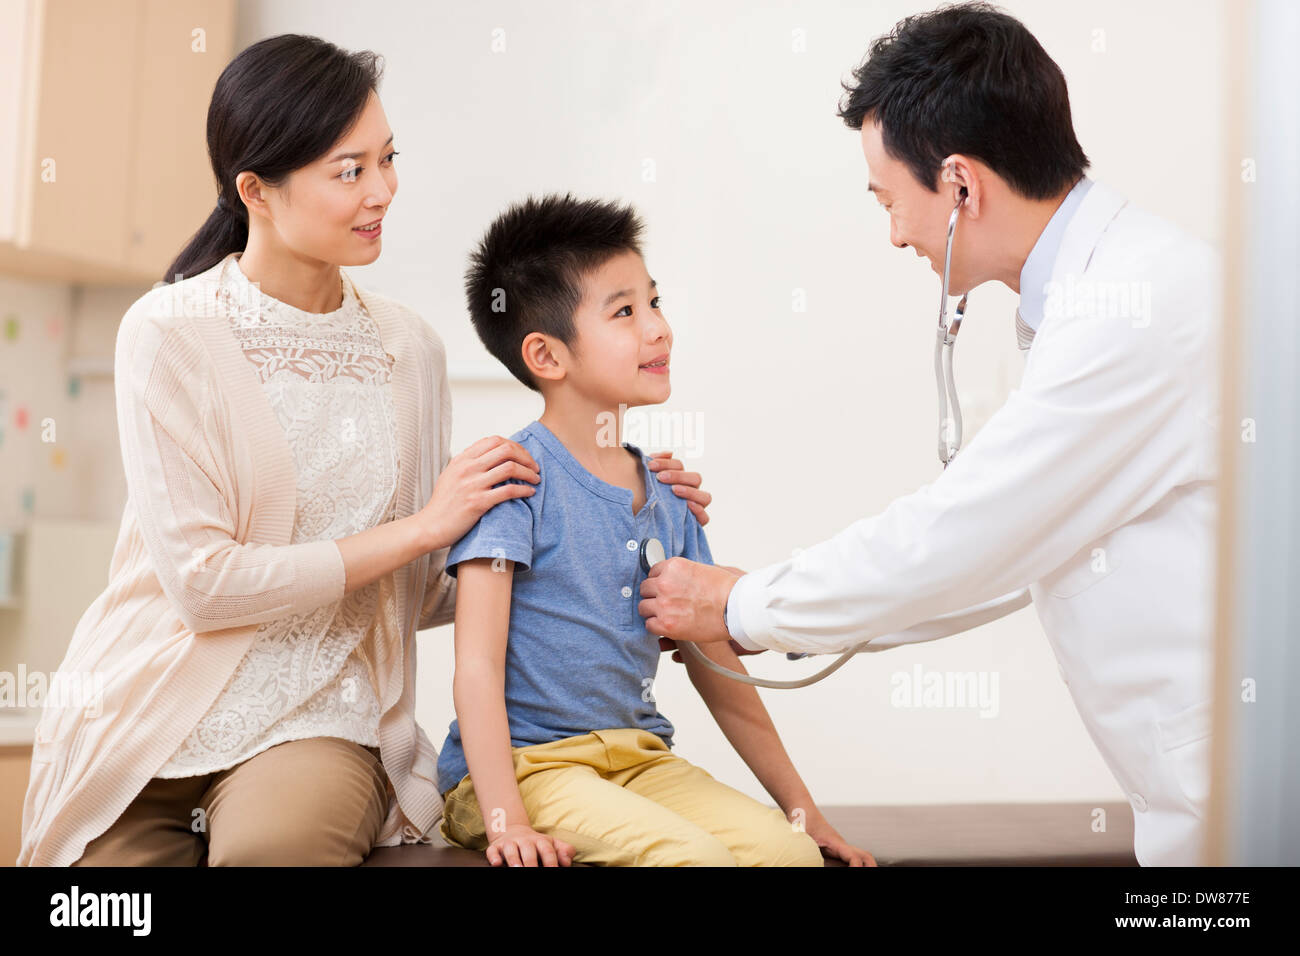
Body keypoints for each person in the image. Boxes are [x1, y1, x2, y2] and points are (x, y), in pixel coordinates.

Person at [19, 35, 708, 867]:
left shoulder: (407, 349)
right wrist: (423, 528)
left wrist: (609, 513)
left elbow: (418, 595)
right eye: (350, 171)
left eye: (387, 159)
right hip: (149, 705)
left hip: (322, 713)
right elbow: (204, 588)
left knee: (273, 853)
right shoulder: (168, 333)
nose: (382, 191)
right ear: (257, 192)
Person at [639, 3, 1220, 867]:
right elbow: (1003, 550)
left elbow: (966, 536)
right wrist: (768, 612)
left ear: (959, 183)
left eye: (890, 201)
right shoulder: (1109, 291)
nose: (894, 234)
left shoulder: (1129, 314)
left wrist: (739, 604)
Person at [435, 194, 874, 866]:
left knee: (789, 859)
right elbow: (475, 668)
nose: (659, 328)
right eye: (625, 312)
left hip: (639, 760)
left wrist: (803, 815)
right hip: (530, 772)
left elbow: (718, 668)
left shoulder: (669, 497)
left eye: (655, 301)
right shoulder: (513, 483)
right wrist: (505, 822)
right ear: (546, 356)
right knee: (694, 860)